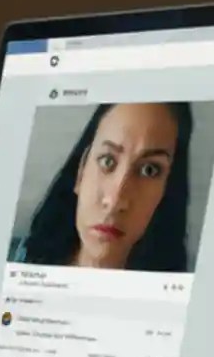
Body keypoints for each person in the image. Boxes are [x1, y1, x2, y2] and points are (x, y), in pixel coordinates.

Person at [13, 102, 194, 272]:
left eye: (149, 170)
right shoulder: (13, 263)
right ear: (81, 172)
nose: (115, 202)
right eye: (107, 160)